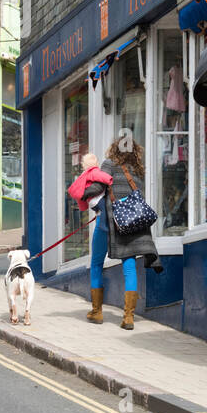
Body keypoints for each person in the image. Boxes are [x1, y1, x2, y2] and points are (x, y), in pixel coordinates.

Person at [82, 133, 162, 330]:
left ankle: (97, 311)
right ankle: (128, 317)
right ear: (134, 151)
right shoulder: (138, 170)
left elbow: (97, 187)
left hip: (109, 222)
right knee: (129, 266)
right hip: (132, 223)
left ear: (114, 148)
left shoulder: (108, 164)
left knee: (96, 264)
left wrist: (82, 194)